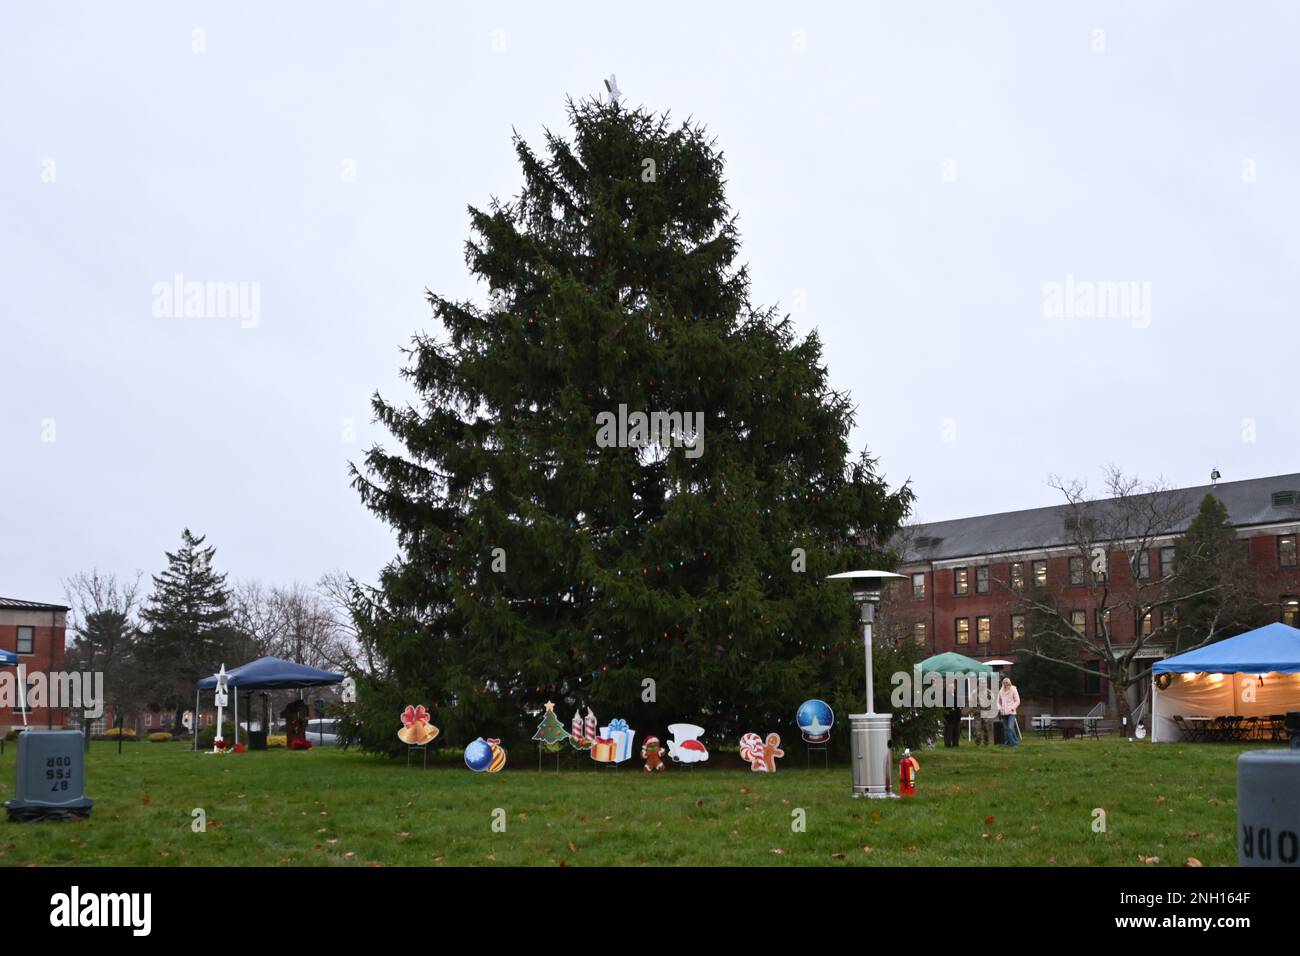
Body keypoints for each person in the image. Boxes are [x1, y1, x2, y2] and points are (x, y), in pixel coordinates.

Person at [976, 675, 999, 746]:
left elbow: (993, 702)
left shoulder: (989, 692)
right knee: (977, 730)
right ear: (978, 684)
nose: (983, 684)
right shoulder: (974, 692)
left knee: (987, 729)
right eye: (981, 683)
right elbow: (971, 702)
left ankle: (986, 743)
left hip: (987, 714)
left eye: (984, 683)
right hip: (978, 714)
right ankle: (978, 744)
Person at [998, 676, 1021, 747]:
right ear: (1002, 683)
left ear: (1009, 683)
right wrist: (1000, 708)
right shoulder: (1001, 691)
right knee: (1006, 729)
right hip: (1003, 712)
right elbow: (998, 702)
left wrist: (1012, 708)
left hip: (1011, 712)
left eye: (1007, 683)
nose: (1006, 684)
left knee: (1010, 728)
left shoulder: (1013, 689)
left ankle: (1015, 743)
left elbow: (1018, 701)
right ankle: (1007, 743)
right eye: (1004, 683)